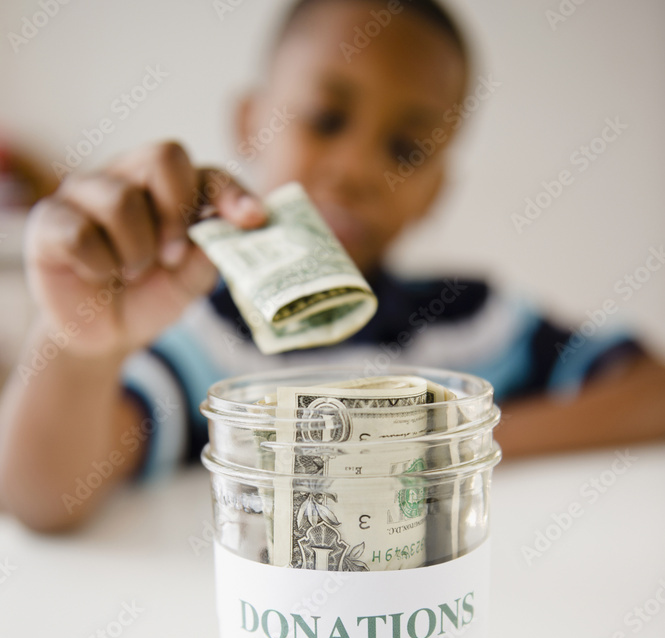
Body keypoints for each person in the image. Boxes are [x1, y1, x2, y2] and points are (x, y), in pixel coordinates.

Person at [0, 0, 663, 532]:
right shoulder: (200, 337)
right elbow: (45, 493)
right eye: (324, 119)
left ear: (434, 191)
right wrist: (78, 344)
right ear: (250, 122)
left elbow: (648, 391)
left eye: (406, 149)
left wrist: (442, 452)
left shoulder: (476, 320)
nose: (357, 169)